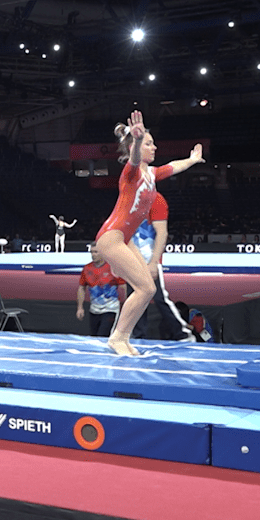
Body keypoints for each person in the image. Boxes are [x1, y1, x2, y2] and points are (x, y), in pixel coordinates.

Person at [92, 109, 205, 356]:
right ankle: (117, 338)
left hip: (125, 239)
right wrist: (136, 140)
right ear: (135, 146)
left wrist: (192, 159)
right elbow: (134, 160)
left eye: (153, 143)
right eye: (149, 144)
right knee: (145, 288)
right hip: (111, 238)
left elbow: (173, 166)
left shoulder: (151, 175)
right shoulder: (130, 174)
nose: (154, 148)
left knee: (148, 289)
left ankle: (122, 337)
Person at [130, 193, 193, 341]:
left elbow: (162, 233)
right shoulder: (129, 198)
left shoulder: (156, 200)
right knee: (134, 299)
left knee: (159, 298)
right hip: (132, 261)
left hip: (148, 259)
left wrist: (154, 262)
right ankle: (138, 336)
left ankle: (182, 333)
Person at [77, 243, 125, 337]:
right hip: (94, 310)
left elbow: (123, 287)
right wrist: (80, 308)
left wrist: (125, 307)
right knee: (95, 337)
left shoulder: (113, 267)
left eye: (96, 252)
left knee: (103, 336)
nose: (93, 255)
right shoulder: (87, 268)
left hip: (111, 309)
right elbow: (81, 288)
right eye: (91, 252)